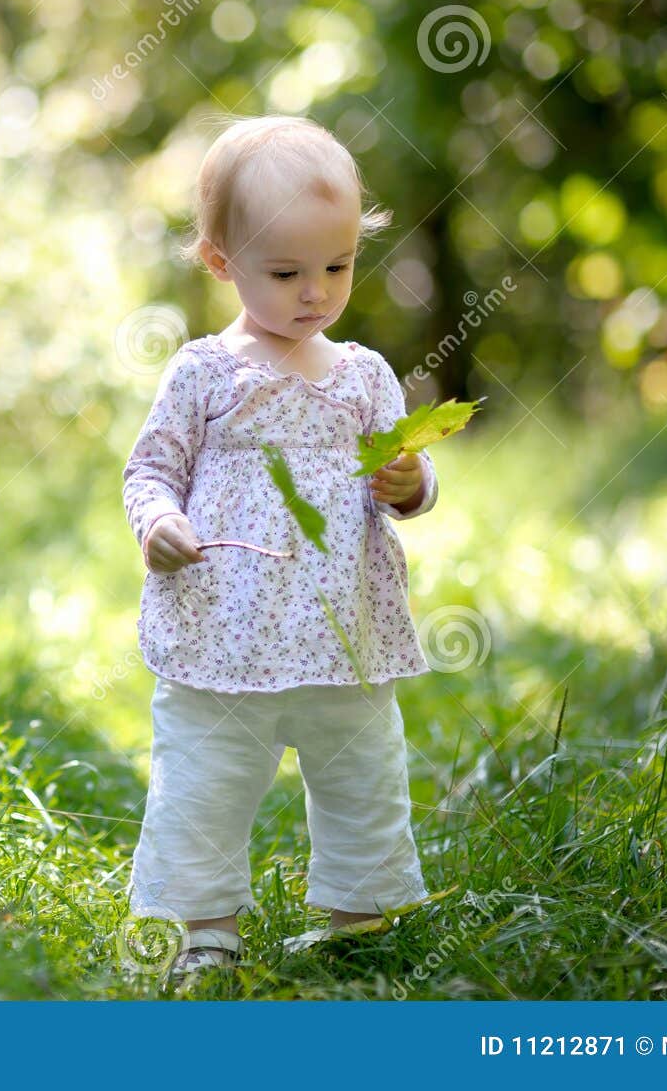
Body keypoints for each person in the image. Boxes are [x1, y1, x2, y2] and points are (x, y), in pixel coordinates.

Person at [121, 113, 438, 987]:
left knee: (363, 774)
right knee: (203, 782)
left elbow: (409, 474)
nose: (316, 293)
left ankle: (359, 915)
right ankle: (205, 927)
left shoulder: (364, 375)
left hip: (345, 633)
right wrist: (157, 525)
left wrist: (412, 484)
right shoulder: (203, 373)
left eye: (337, 266)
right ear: (223, 263)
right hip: (224, 631)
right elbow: (149, 471)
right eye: (287, 272)